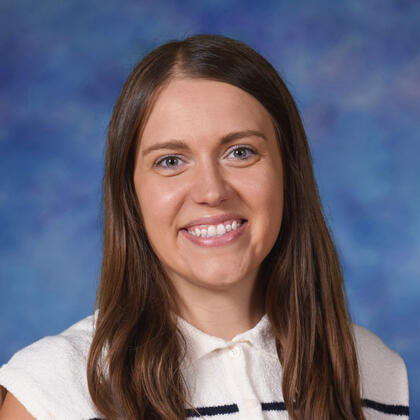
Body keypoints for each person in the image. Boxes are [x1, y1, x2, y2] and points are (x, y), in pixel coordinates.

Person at [0, 34, 409, 420]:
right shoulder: (50, 393)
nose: (212, 191)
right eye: (170, 161)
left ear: (289, 172)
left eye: (240, 152)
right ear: (131, 194)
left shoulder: (375, 372)